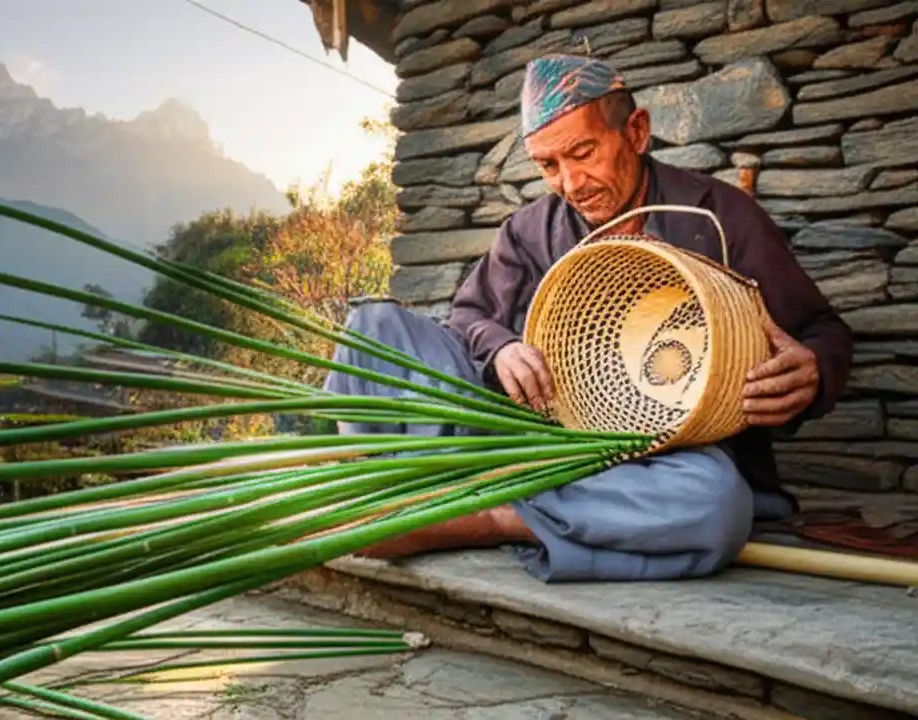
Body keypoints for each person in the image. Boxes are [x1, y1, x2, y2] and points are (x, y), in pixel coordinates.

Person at [324, 54, 854, 582]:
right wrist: (503, 347)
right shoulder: (529, 231)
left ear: (637, 131)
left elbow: (823, 332)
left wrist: (812, 371)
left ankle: (488, 517)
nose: (571, 183)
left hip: (652, 464)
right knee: (374, 329)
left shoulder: (720, 219)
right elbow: (468, 316)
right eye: (549, 166)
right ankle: (389, 492)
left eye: (583, 152)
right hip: (535, 442)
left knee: (716, 505)